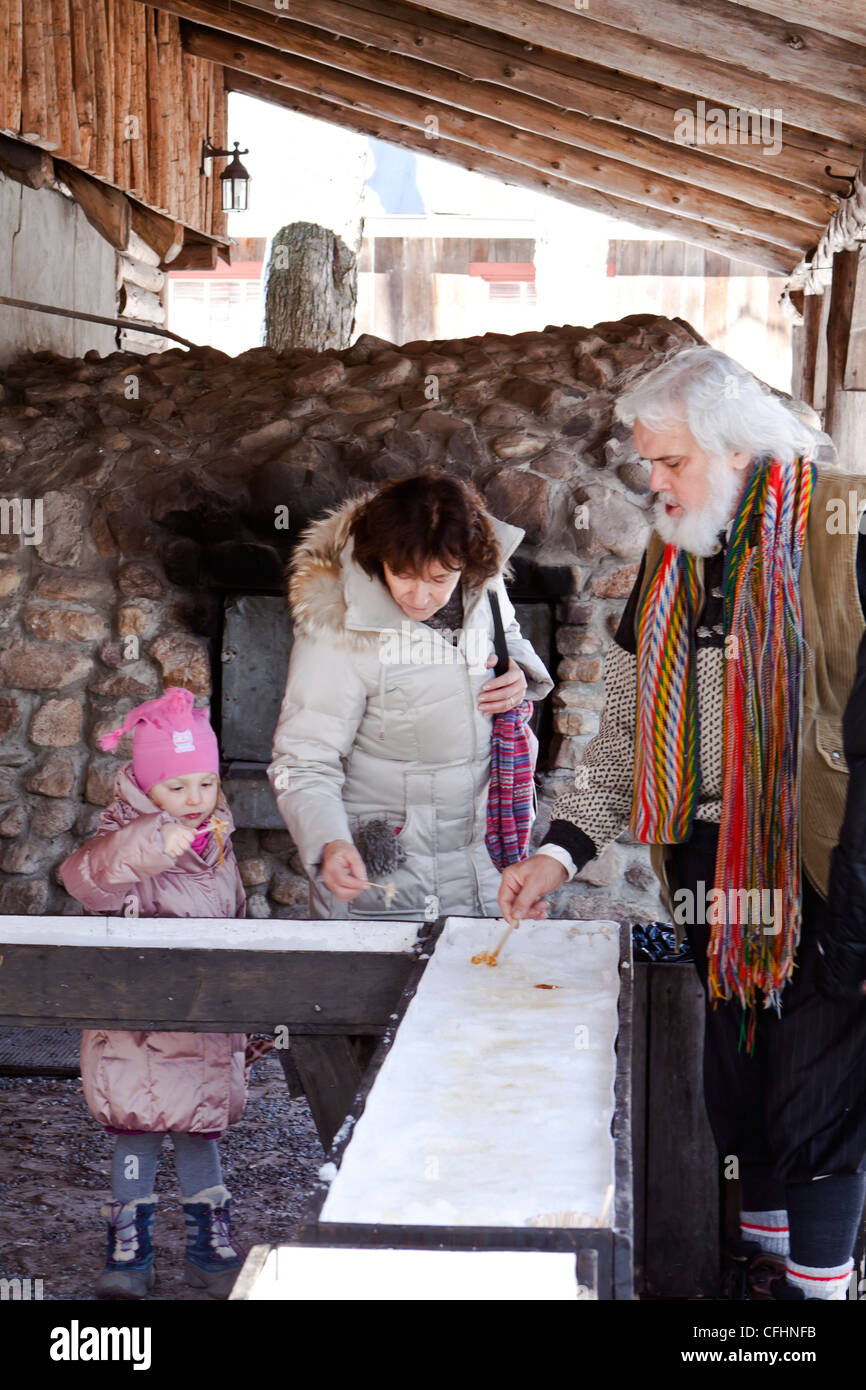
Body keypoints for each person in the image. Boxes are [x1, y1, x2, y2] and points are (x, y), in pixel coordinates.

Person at [500, 346, 866, 1301]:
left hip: (830, 864)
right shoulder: (672, 562)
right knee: (741, 1088)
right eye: (649, 462)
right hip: (712, 868)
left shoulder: (841, 533)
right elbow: (622, 729)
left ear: (738, 450)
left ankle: (816, 1298)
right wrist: (556, 850)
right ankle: (760, 1275)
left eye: (671, 462)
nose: (652, 482)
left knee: (816, 1098)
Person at [268, 470, 553, 921]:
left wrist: (519, 672)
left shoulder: (483, 579)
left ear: (467, 561)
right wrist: (329, 842)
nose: (420, 596)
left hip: (485, 860)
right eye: (402, 575)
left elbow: (508, 634)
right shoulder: (337, 626)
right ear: (379, 555)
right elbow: (302, 761)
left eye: (440, 578)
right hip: (387, 876)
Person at [59, 687, 248, 1301]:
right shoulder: (123, 834)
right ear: (145, 787)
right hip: (137, 1030)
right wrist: (147, 843)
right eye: (177, 788)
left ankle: (208, 1246)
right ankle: (129, 1247)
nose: (194, 800)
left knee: (200, 1133)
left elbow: (238, 917)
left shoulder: (218, 844)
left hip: (204, 1025)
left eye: (205, 784)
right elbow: (86, 879)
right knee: (137, 1134)